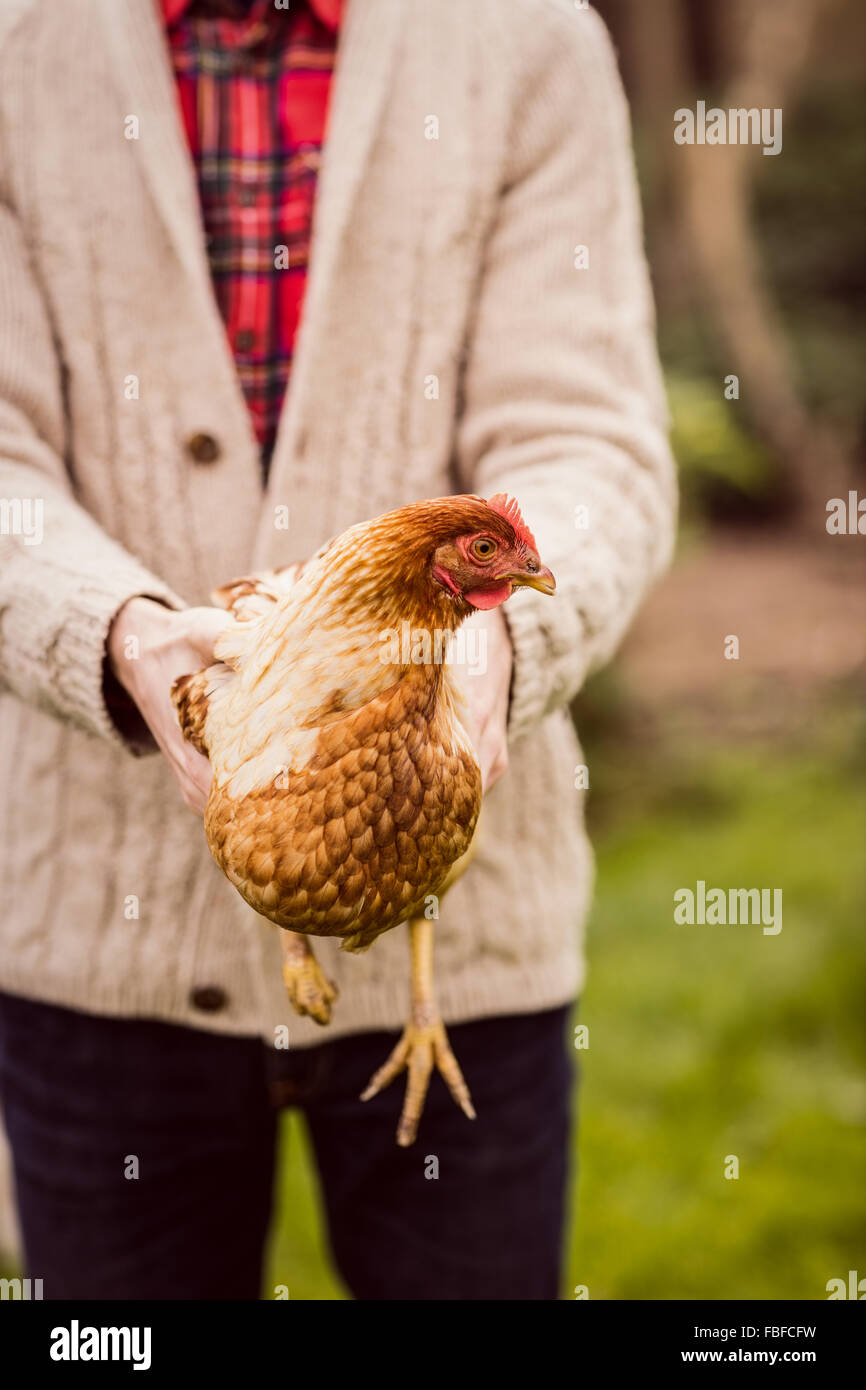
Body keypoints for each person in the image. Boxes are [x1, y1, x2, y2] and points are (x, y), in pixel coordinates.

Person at [0, 0, 675, 1300]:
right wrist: (124, 639)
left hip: (462, 945)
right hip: (97, 937)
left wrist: (491, 652)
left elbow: (589, 444)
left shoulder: (524, 40)